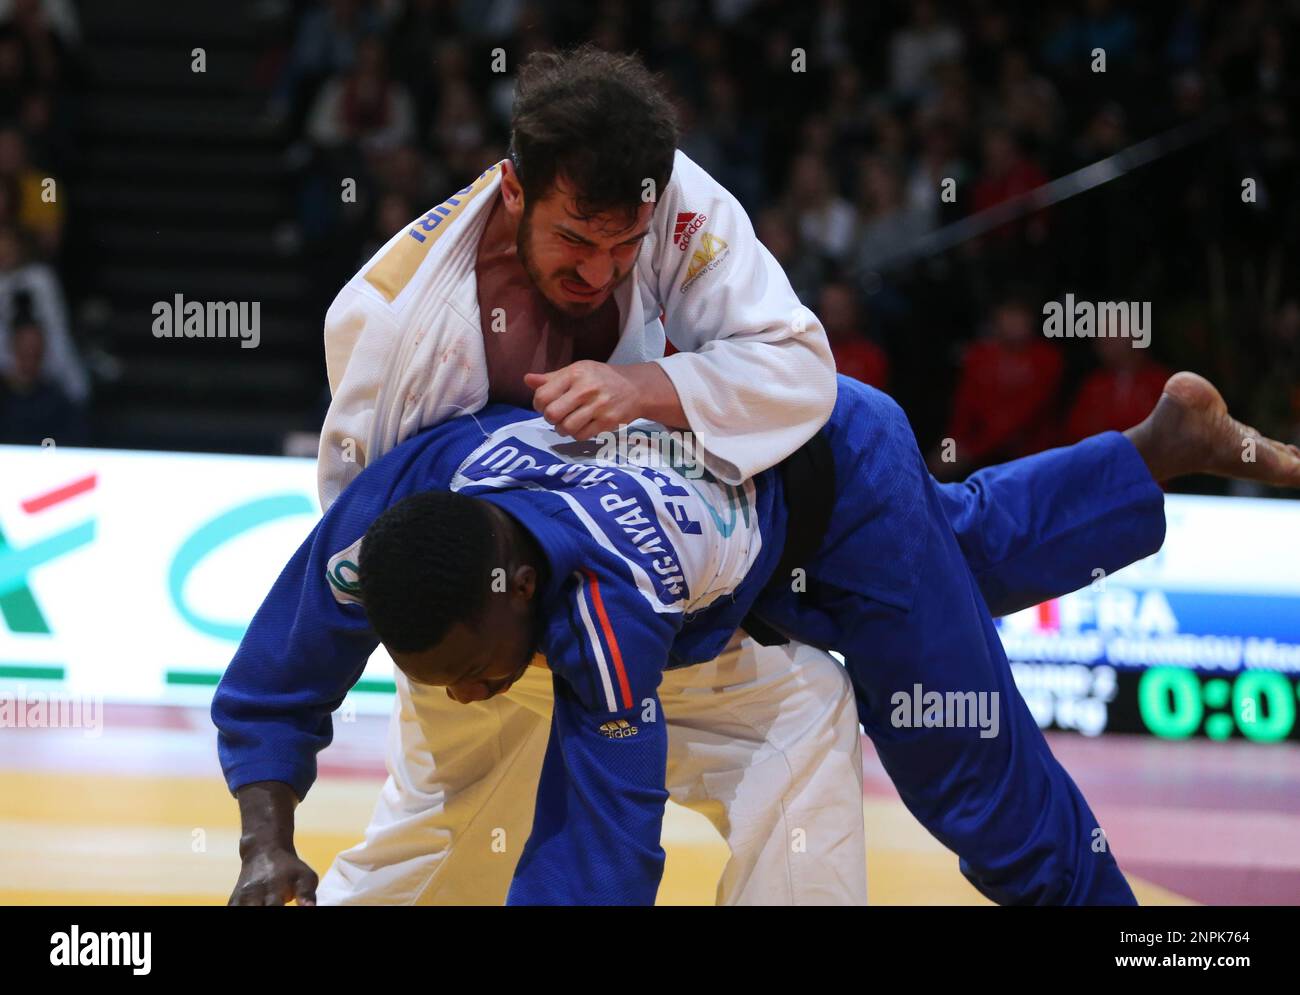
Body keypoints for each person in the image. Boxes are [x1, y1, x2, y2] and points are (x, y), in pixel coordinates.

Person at [214, 370, 1300, 905]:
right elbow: (277, 673)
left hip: (839, 482)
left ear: (524, 590)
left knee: (961, 763)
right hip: (759, 484)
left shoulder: (605, 611)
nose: (464, 695)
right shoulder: (409, 505)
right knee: (961, 549)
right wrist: (267, 841)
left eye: (474, 670)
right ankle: (1164, 442)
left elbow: (600, 846)